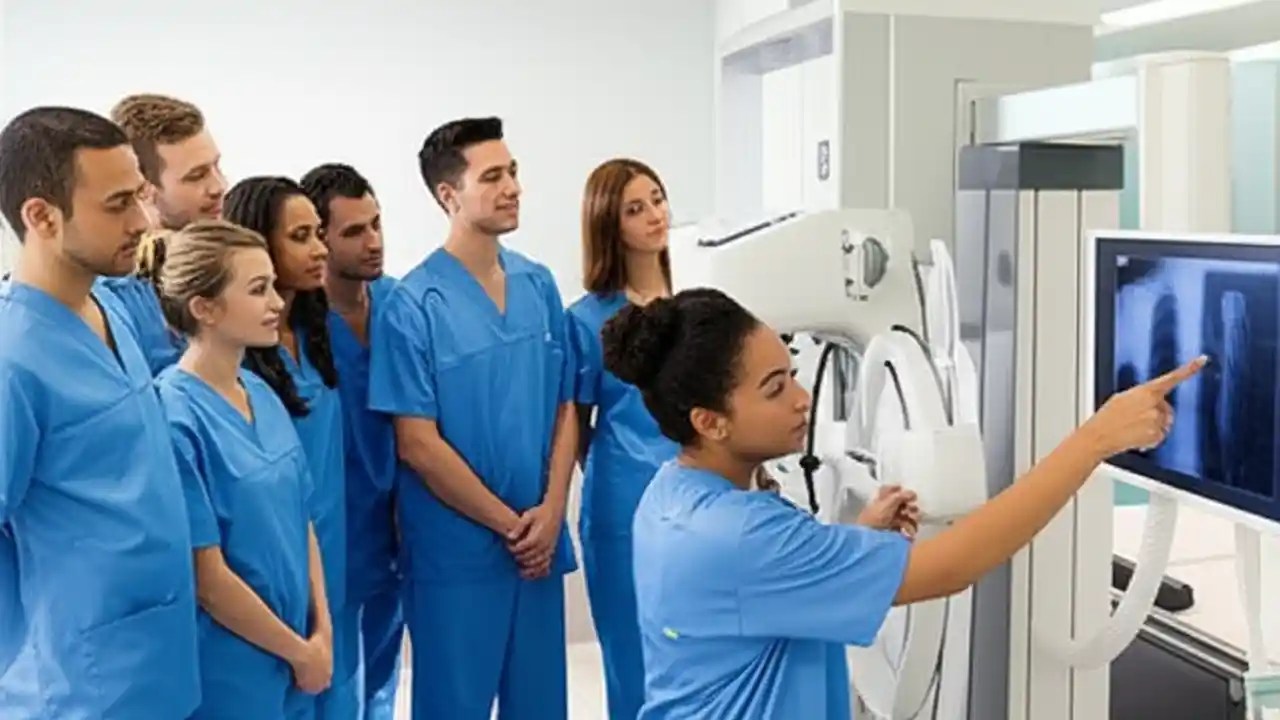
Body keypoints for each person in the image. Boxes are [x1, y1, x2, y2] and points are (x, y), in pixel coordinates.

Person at [601, 288, 1206, 720]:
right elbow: (952, 568)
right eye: (775, 389)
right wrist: (1094, 438)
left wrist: (854, 539)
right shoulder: (737, 534)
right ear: (711, 422)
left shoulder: (672, 494)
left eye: (791, 374)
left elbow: (754, 597)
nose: (802, 399)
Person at [368, 116, 578, 720]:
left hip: (539, 543)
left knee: (540, 706)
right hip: (458, 554)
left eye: (513, 171)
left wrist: (553, 510)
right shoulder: (413, 306)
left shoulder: (539, 286)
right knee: (452, 706)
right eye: (493, 176)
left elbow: (566, 407)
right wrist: (512, 526)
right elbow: (417, 444)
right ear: (448, 195)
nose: (513, 186)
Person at [0, 106, 200, 717]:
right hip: (78, 683)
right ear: (42, 216)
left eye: (141, 196)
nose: (143, 220)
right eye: (118, 205)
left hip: (157, 658)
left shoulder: (109, 313)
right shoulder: (14, 361)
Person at [150, 219, 334, 719]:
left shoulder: (263, 394)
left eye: (273, 285)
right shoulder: (173, 416)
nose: (277, 302)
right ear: (204, 308)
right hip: (233, 667)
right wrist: (298, 651)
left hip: (298, 654)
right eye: (259, 289)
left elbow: (303, 522)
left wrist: (322, 632)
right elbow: (207, 577)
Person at [223, 176, 356, 719]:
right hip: (271, 570)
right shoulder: (234, 363)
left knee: (339, 694)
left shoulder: (319, 330)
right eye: (301, 236)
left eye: (319, 233)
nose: (320, 249)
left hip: (333, 555)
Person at [301, 162, 404, 719]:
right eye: (353, 232)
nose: (374, 242)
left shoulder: (400, 306)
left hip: (398, 518)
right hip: (335, 524)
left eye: (377, 224)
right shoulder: (295, 324)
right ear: (319, 239)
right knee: (335, 681)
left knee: (383, 671)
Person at [99, 93, 228, 374]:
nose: (219, 186)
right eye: (197, 176)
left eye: (217, 166)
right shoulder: (114, 297)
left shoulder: (225, 266)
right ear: (143, 188)